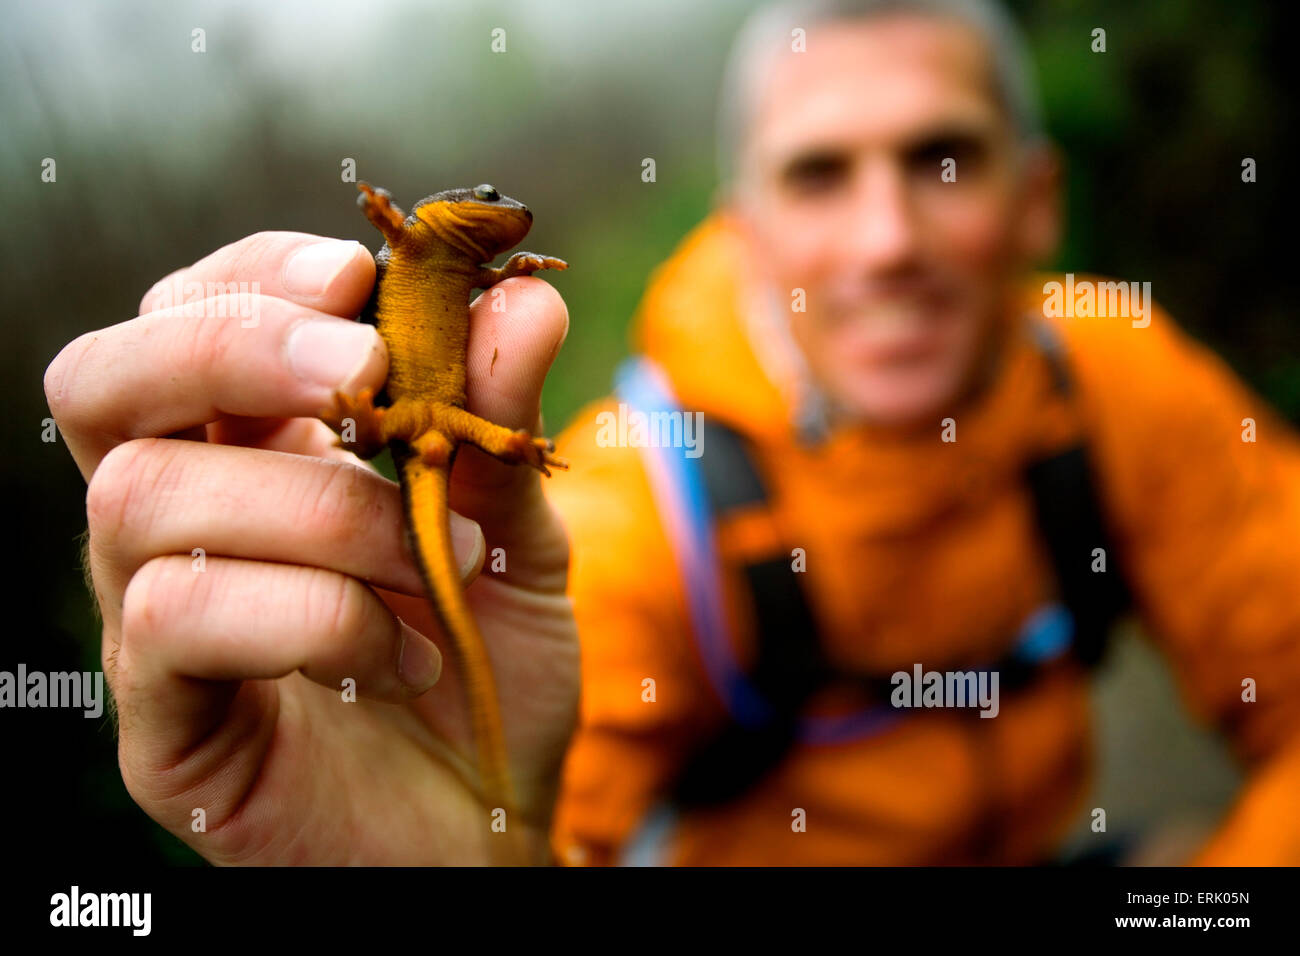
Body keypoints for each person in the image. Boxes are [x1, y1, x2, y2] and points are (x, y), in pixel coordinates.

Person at [44, 0, 1300, 866]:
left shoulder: (1116, 379)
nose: (886, 241)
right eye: (819, 174)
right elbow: (546, 818)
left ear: (1037, 205)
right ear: (741, 225)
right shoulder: (641, 510)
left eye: (942, 161)